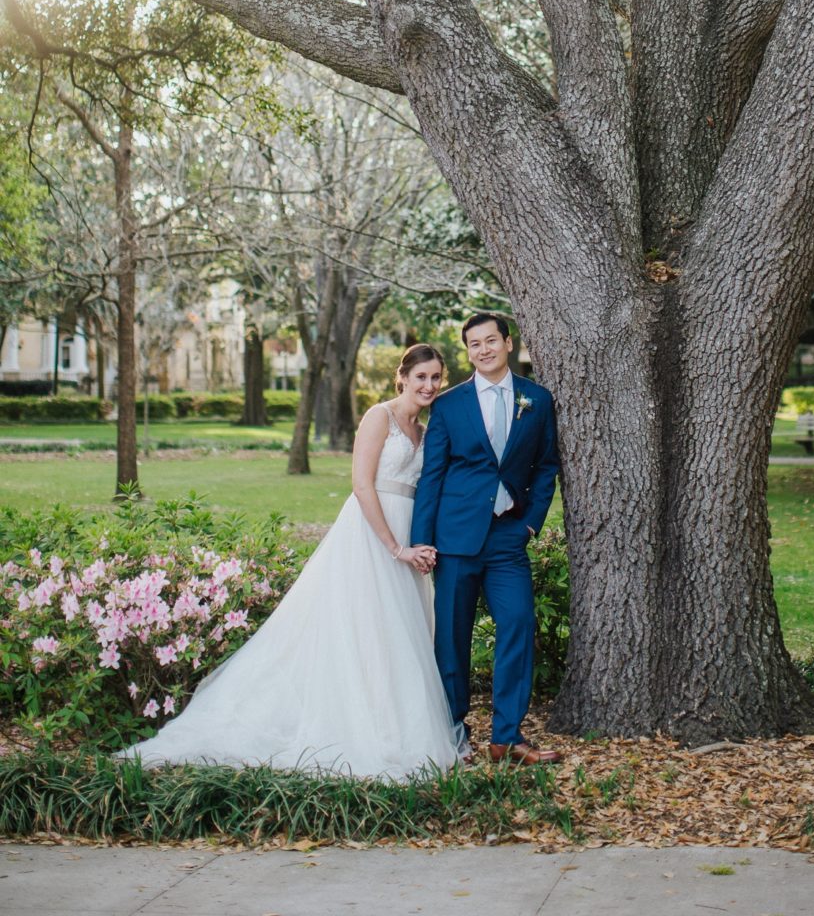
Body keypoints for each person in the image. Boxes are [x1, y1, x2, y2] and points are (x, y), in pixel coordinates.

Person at [118, 344, 461, 779]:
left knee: (396, 636)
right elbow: (362, 485)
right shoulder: (380, 417)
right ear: (403, 378)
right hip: (371, 536)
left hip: (410, 538)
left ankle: (390, 724)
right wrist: (395, 547)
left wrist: (419, 545)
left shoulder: (428, 431)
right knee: (360, 629)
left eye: (436, 378)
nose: (429, 385)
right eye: (421, 377)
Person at [411, 313, 562, 765]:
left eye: (490, 341)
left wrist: (530, 523)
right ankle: (455, 730)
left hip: (507, 538)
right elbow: (432, 476)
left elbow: (547, 465)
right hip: (455, 539)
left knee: (518, 624)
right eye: (474, 344)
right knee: (452, 640)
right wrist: (423, 540)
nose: (483, 350)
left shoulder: (536, 399)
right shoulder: (450, 405)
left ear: (507, 343)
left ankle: (507, 738)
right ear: (468, 351)